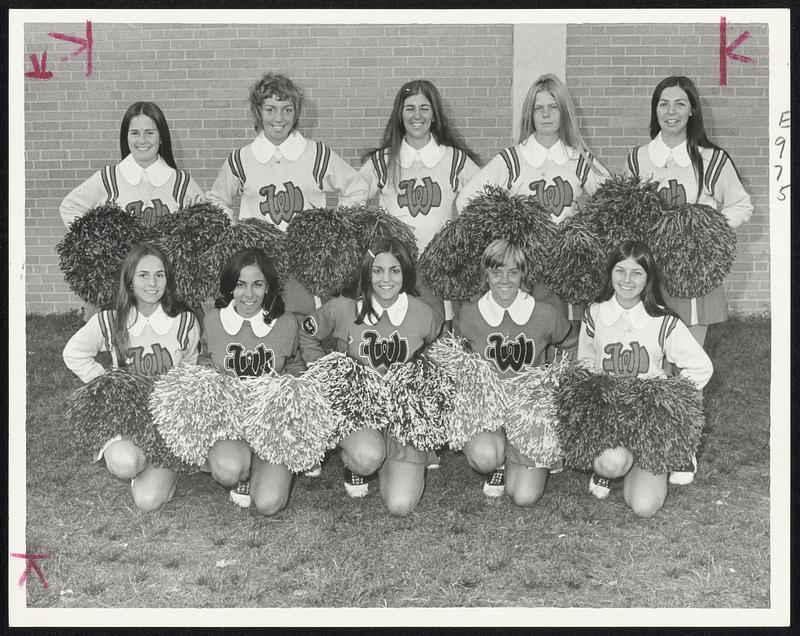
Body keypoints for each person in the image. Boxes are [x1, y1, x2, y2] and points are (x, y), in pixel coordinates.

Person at [456, 73, 610, 344]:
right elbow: (466, 199)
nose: (546, 114)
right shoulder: (513, 158)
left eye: (553, 107)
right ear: (530, 114)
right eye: (539, 108)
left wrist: (584, 234)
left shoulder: (579, 158)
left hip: (566, 270)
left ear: (564, 112)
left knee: (567, 341)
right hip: (525, 271)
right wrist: (505, 230)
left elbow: (612, 203)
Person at [298, 237, 442, 516]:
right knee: (366, 458)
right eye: (377, 270)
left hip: (402, 415)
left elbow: (438, 347)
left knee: (401, 505)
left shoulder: (424, 314)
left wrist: (424, 388)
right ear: (366, 272)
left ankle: (396, 453)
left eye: (395, 270)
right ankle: (356, 465)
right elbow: (307, 331)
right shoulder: (344, 307)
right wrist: (327, 376)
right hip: (359, 409)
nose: (386, 279)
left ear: (406, 273)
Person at [577, 241, 713, 518]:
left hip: (649, 419)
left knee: (644, 507)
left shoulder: (663, 320)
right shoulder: (594, 313)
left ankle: (665, 450)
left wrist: (668, 399)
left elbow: (701, 367)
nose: (627, 280)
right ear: (610, 273)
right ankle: (609, 469)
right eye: (620, 270)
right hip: (611, 414)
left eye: (636, 273)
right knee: (611, 464)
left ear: (648, 277)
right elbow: (585, 362)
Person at [63, 243, 201, 511]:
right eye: (143, 275)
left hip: (166, 421)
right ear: (129, 280)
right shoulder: (111, 319)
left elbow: (190, 371)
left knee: (147, 502)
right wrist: (108, 382)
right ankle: (140, 460)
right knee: (125, 464)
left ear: (167, 279)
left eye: (159, 275)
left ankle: (164, 471)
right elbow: (74, 353)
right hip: (127, 417)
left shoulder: (185, 322)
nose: (152, 283)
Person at [625, 75, 753, 349]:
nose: (671, 112)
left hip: (693, 269)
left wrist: (705, 228)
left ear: (692, 109)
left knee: (690, 358)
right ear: (655, 110)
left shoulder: (712, 158)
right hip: (650, 268)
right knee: (651, 351)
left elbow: (742, 205)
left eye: (680, 104)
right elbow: (625, 212)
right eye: (664, 104)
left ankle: (694, 394)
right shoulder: (637, 158)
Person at [453, 239, 574, 505]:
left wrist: (554, 382)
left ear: (523, 274)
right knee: (485, 457)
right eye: (497, 272)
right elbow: (456, 353)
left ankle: (520, 455)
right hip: (489, 410)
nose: (504, 280)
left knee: (524, 497)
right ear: (486, 274)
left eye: (513, 272)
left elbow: (570, 345)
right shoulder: (470, 314)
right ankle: (497, 463)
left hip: (528, 412)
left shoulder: (545, 313)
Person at [359, 79, 481, 321]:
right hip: (394, 271)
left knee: (437, 333)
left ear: (434, 115)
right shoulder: (382, 161)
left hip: (439, 270)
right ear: (400, 115)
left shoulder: (454, 160)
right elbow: (352, 199)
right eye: (410, 108)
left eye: (425, 108)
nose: (417, 115)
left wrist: (463, 245)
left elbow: (485, 204)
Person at [200, 248, 305, 515]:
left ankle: (262, 466)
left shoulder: (286, 323)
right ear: (229, 287)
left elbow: (294, 364)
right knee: (227, 470)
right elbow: (204, 361)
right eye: (240, 284)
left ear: (268, 286)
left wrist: (289, 392)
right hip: (231, 424)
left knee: (269, 504)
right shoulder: (213, 321)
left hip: (271, 424)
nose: (249, 294)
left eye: (257, 284)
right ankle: (243, 473)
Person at [206, 72, 369, 228]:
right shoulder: (240, 159)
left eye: (287, 110)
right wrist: (234, 234)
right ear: (258, 112)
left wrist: (337, 228)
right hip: (259, 254)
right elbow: (217, 200)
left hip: (307, 255)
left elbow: (357, 188)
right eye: (270, 109)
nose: (279, 118)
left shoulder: (318, 154)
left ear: (296, 113)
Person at [60, 101, 204, 228]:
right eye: (135, 133)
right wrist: (99, 243)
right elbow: (70, 207)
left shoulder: (182, 182)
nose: (142, 140)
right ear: (126, 138)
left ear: (161, 137)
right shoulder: (108, 178)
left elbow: (208, 222)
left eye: (149, 133)